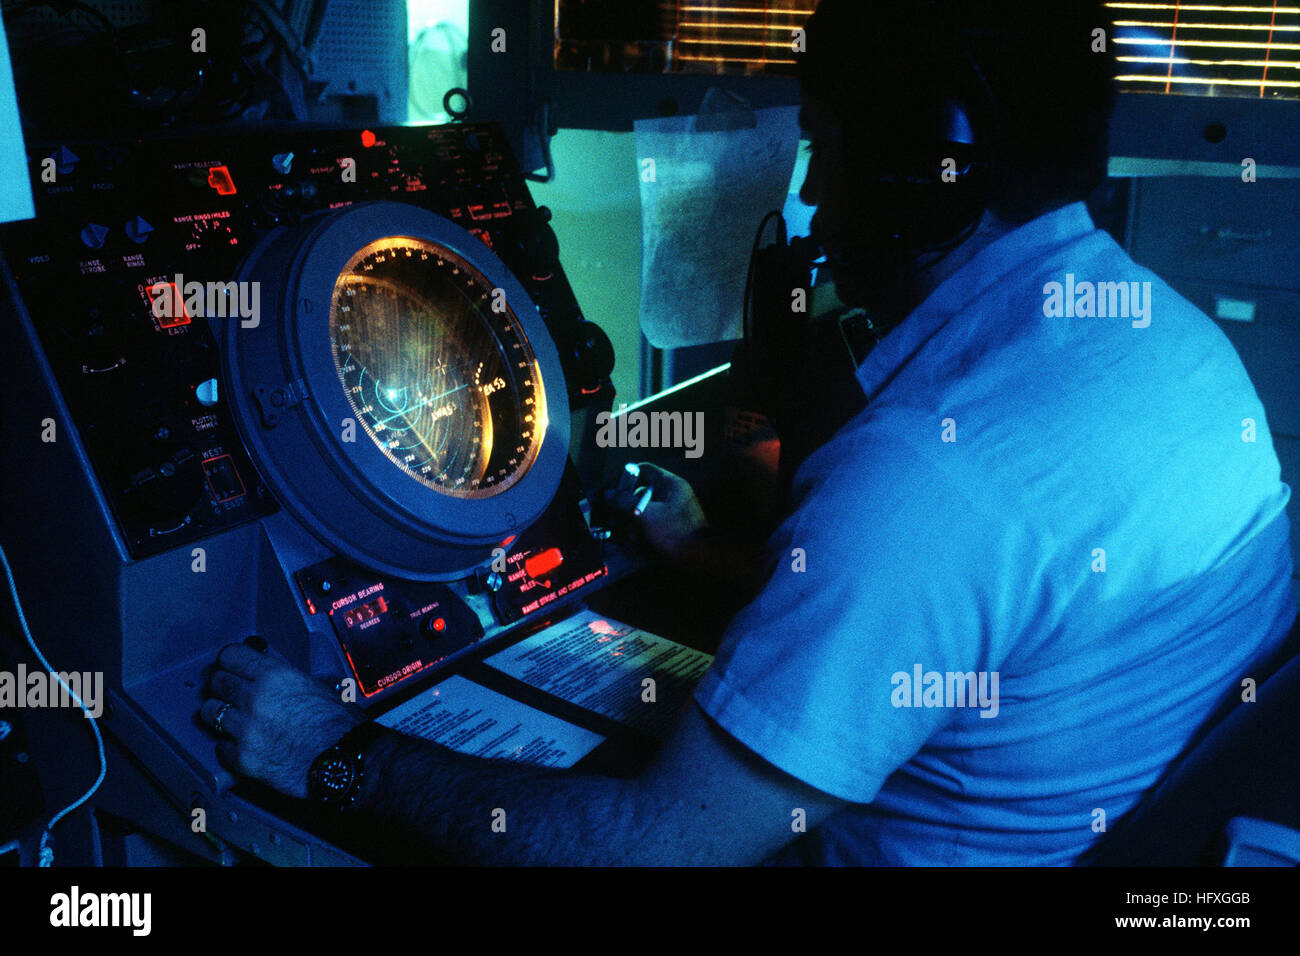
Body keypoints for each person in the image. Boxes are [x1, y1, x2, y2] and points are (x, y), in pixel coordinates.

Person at [202, 0, 1296, 865]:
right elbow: (981, 634)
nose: (814, 194)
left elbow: (653, 846)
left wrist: (328, 752)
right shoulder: (1173, 344)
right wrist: (705, 560)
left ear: (927, 165)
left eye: (826, 146)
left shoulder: (929, 474)